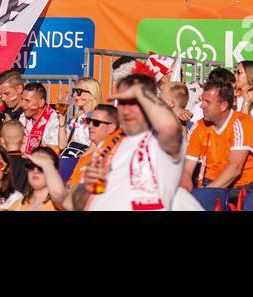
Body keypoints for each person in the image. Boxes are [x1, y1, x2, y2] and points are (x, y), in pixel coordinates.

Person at [77, 73, 184, 212]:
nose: (126, 110)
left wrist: (141, 93)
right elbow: (74, 203)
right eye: (122, 103)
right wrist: (85, 187)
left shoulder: (160, 142)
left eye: (134, 102)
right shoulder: (107, 145)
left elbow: (170, 127)